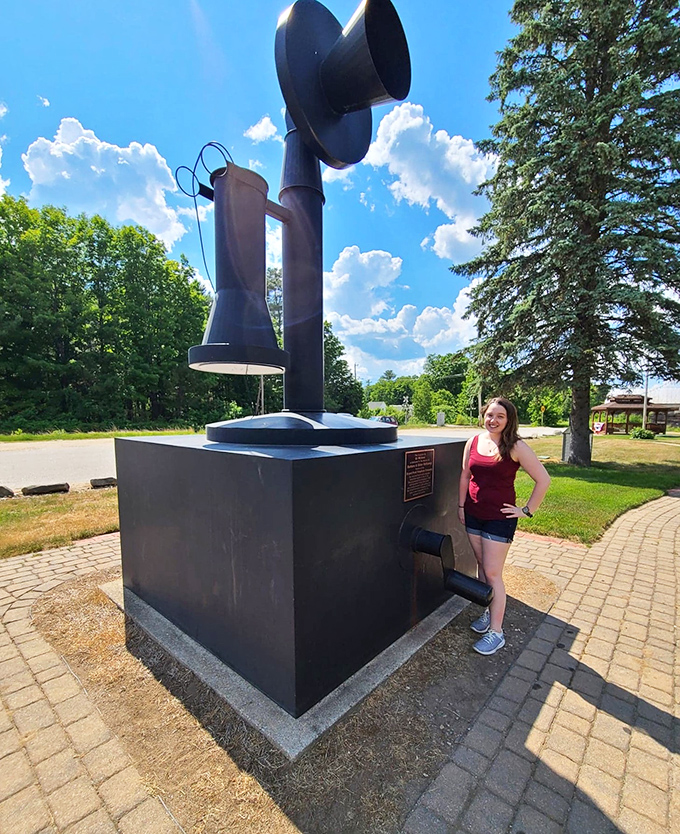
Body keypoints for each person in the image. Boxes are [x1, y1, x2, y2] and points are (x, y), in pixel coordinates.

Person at [458, 397, 551, 655]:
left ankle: (497, 633)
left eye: (500, 416)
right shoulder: (473, 442)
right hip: (474, 514)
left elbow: (543, 480)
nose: (493, 420)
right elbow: (466, 475)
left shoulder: (516, 446)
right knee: (481, 567)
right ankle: (488, 613)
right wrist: (461, 506)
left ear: (509, 420)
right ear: (483, 416)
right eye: (489, 415)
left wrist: (526, 510)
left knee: (493, 572)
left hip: (500, 520)